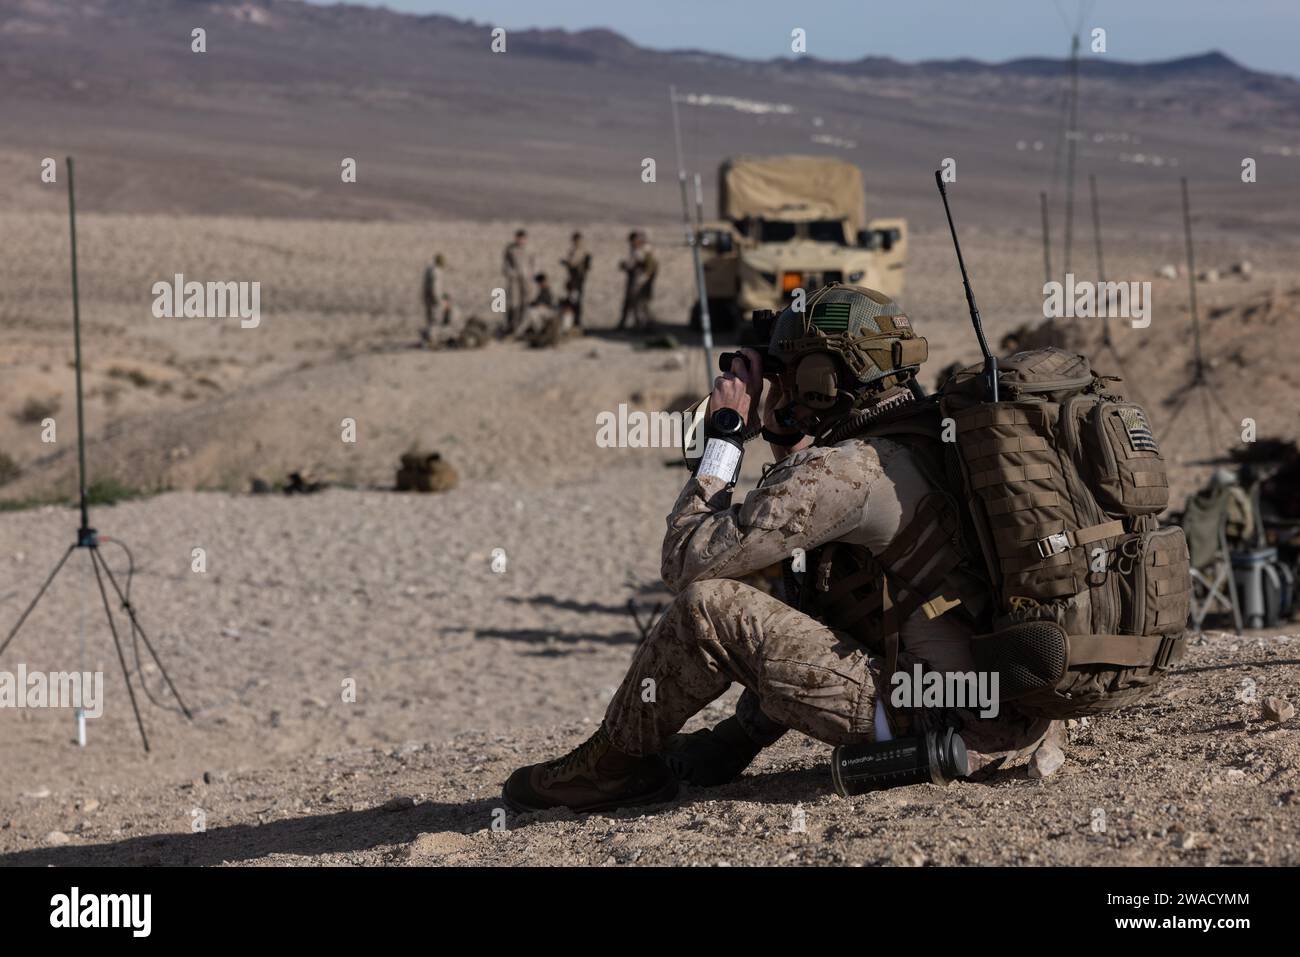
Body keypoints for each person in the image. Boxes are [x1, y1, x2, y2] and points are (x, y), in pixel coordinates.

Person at [503, 285, 1053, 813]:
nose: (778, 386)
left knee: (709, 608)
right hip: (1012, 703)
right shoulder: (932, 436)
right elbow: (824, 598)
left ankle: (609, 770)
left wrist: (725, 437)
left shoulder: (849, 471)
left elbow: (686, 560)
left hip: (941, 721)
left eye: (787, 373)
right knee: (783, 581)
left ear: (823, 378)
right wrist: (736, 741)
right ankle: (731, 740)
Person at [617, 231, 657, 331]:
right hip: (635, 280)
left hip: (641, 282)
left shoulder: (646, 251)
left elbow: (650, 268)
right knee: (631, 303)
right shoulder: (636, 250)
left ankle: (646, 325)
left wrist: (643, 279)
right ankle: (635, 324)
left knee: (641, 304)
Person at [502, 229, 533, 334]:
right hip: (514, 281)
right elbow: (505, 265)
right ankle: (511, 326)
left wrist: (529, 274)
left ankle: (524, 326)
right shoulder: (510, 249)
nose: (520, 241)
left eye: (522, 239)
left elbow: (533, 263)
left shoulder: (529, 249)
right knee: (513, 303)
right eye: (518, 238)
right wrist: (512, 274)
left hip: (526, 281)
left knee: (526, 303)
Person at [561, 231, 592, 328]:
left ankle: (576, 322)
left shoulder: (581, 251)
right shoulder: (574, 250)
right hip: (574, 279)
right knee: (573, 299)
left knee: (575, 300)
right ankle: (574, 322)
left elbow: (573, 263)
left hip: (577, 280)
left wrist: (567, 262)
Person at [421, 253, 445, 328]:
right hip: (432, 298)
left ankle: (430, 333)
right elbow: (435, 287)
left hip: (427, 297)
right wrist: (438, 300)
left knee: (429, 318)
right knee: (435, 318)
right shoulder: (436, 272)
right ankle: (433, 336)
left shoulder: (430, 269)